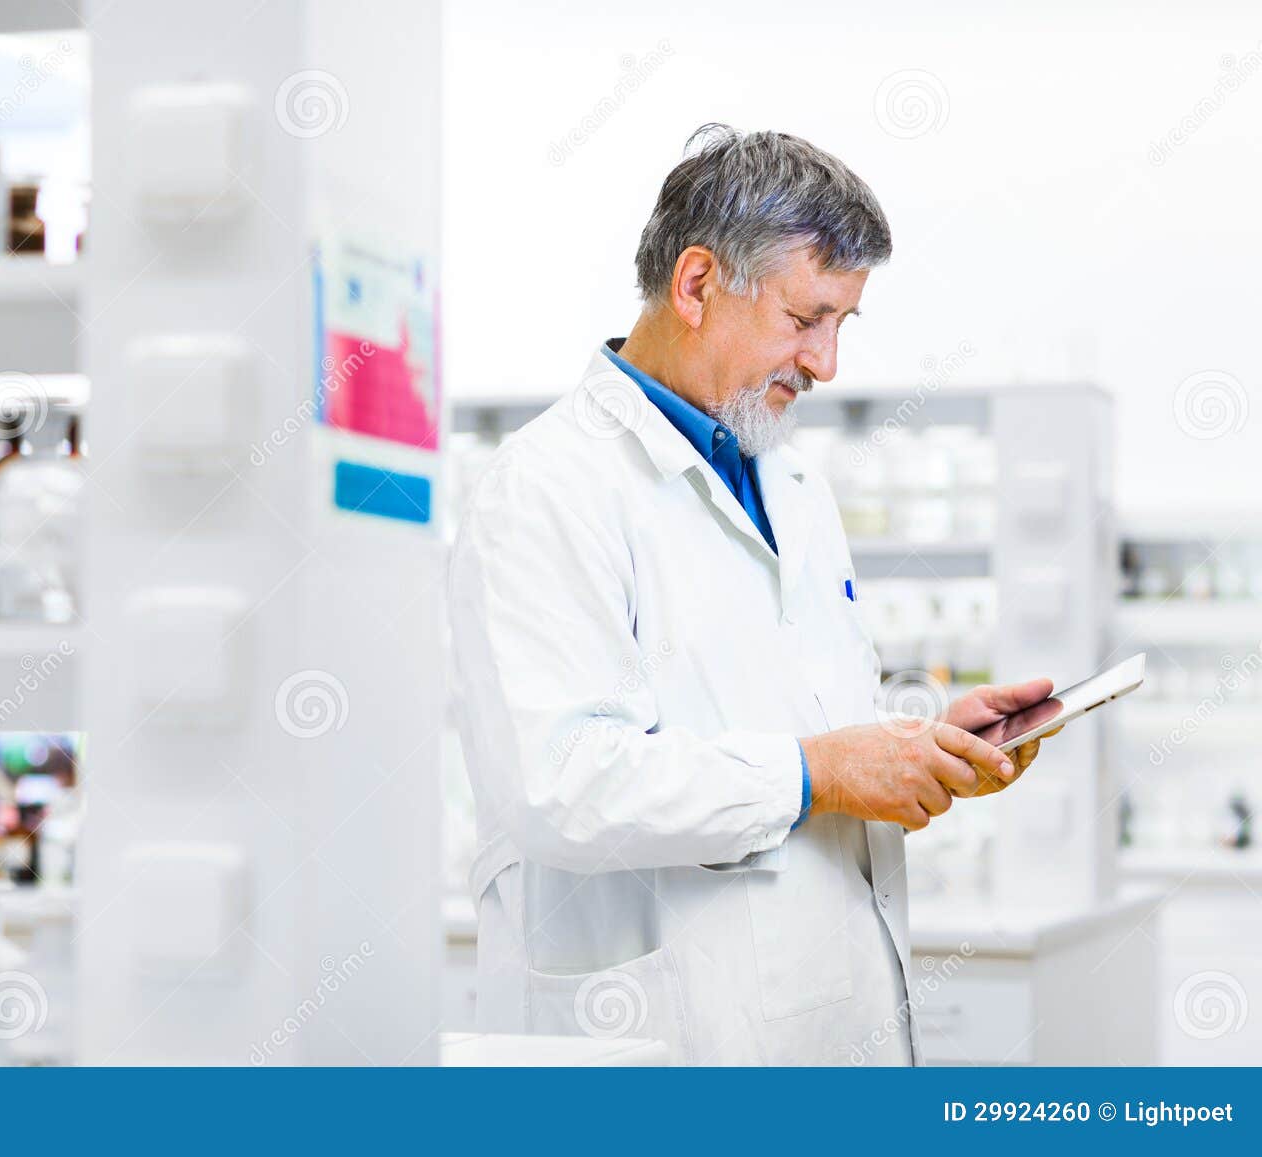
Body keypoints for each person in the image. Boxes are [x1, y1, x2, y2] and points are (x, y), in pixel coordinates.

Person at [447, 124, 1056, 1065]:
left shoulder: (792, 484)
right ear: (696, 285)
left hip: (832, 1016)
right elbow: (559, 783)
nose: (826, 364)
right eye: (805, 318)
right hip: (666, 1037)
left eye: (842, 326)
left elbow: (798, 711)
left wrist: (924, 735)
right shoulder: (546, 487)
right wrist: (820, 772)